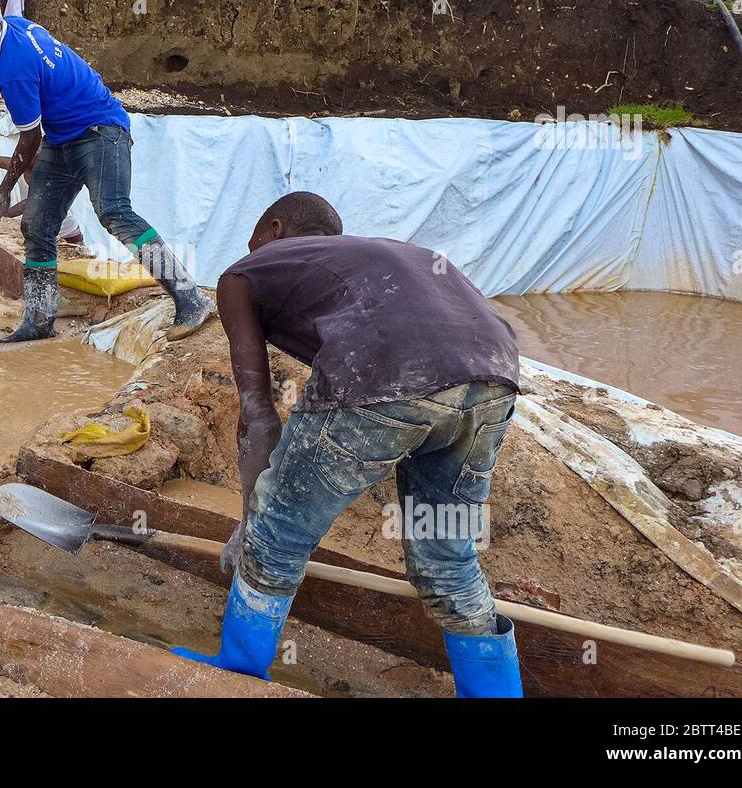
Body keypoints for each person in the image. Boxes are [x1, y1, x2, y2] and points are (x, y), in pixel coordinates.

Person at [173, 192, 524, 697]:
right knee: (448, 558)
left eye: (255, 241)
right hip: (494, 378)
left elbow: (257, 412)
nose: (251, 252)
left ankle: (238, 671)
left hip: (388, 367)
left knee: (279, 534)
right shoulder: (391, 259)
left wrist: (253, 522)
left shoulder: (245, 273)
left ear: (273, 230)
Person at [0, 0, 214, 343]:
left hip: (101, 129)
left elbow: (29, 137)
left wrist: (4, 191)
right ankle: (39, 319)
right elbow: (17, 4)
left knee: (114, 212)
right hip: (63, 136)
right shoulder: (14, 27)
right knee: (36, 226)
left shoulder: (13, 68)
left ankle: (189, 298)